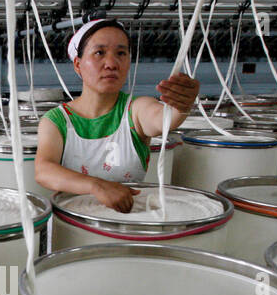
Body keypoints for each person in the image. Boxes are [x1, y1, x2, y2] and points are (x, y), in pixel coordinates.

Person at [36, 18, 200, 212]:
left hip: (128, 224)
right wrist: (96, 185)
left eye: (121, 53)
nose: (111, 63)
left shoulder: (135, 111)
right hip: (73, 227)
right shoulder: (57, 120)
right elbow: (44, 170)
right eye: (99, 53)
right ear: (78, 65)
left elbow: (164, 118)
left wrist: (182, 105)